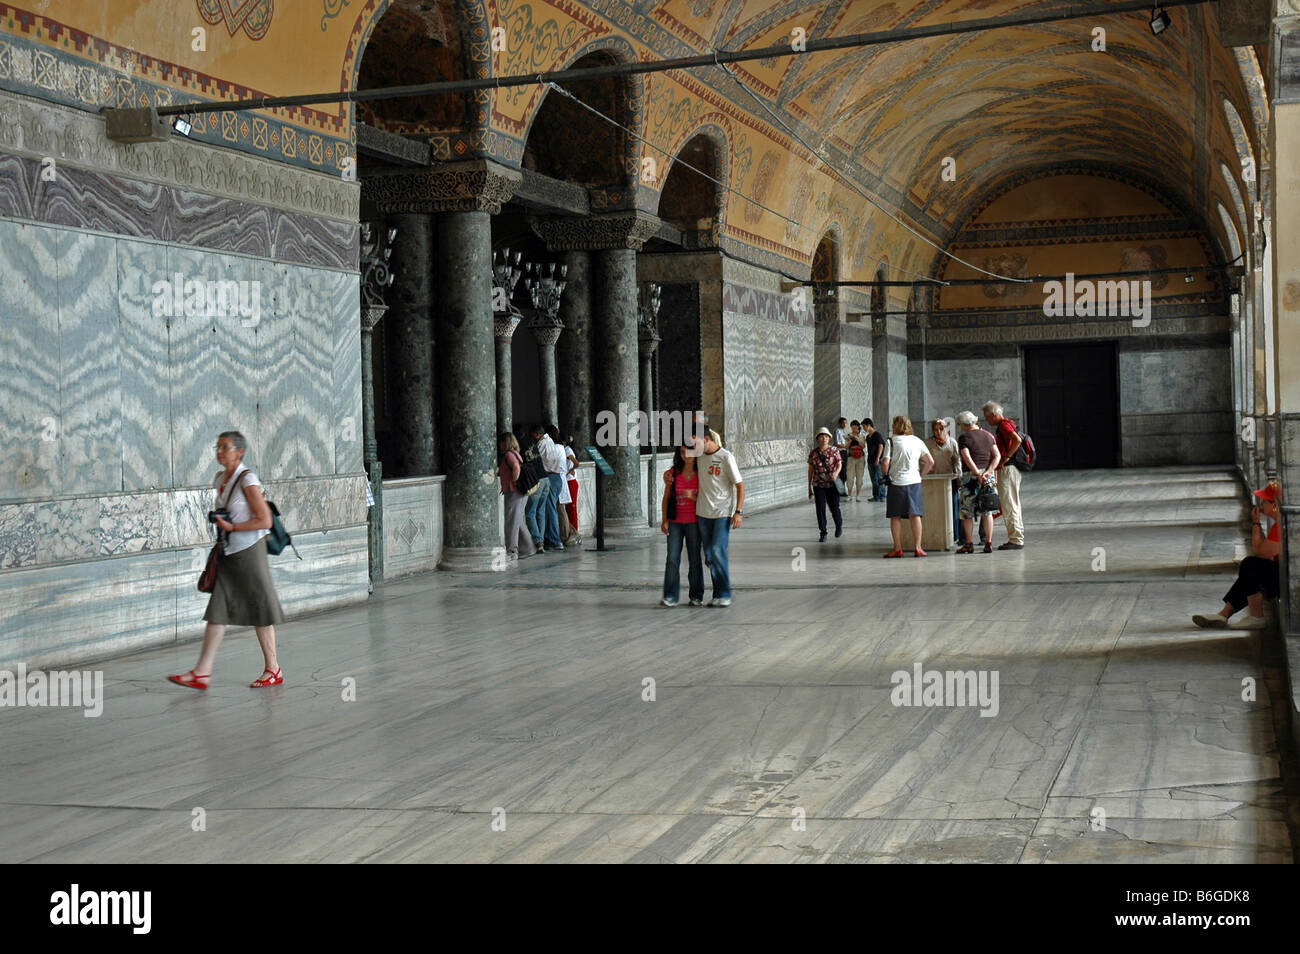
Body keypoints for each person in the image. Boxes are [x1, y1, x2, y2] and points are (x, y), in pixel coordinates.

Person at [169, 431, 285, 690]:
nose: (220, 451)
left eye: (225, 447)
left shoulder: (248, 479)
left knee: (259, 608)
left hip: (249, 552)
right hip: (229, 553)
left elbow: (264, 520)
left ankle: (273, 668)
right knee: (218, 610)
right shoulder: (221, 478)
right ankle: (202, 672)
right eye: (217, 446)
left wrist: (232, 528)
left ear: (240, 451)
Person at [1193, 483, 1282, 630]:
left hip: (1289, 579)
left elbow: (1260, 552)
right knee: (1251, 572)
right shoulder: (1279, 524)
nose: (1261, 505)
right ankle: (1223, 615)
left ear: (1275, 506)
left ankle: (1256, 617)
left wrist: (1256, 523)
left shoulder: (1280, 526)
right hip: (1287, 575)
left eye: (1264, 501)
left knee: (1250, 565)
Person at [694, 427, 744, 607]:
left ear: (706, 439)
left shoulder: (725, 457)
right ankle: (718, 593)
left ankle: (724, 593)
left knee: (717, 550)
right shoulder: (698, 457)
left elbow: (739, 485)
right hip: (702, 513)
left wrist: (738, 511)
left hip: (722, 513)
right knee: (709, 556)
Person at [881, 415, 934, 557]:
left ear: (895, 426)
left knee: (895, 516)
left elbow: (885, 463)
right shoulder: (917, 441)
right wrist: (920, 475)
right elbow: (930, 462)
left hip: (896, 483)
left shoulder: (891, 441)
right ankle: (918, 547)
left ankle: (898, 548)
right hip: (914, 482)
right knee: (915, 515)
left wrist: (885, 474)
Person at [660, 438, 705, 607]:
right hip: (675, 522)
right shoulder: (673, 473)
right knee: (672, 558)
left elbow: (707, 497)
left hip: (694, 522)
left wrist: (691, 495)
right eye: (682, 452)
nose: (686, 455)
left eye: (690, 452)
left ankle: (696, 595)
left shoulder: (701, 473)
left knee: (694, 559)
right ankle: (670, 595)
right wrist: (664, 520)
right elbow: (666, 497)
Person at [954, 411, 1000, 554]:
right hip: (988, 477)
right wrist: (988, 471)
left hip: (971, 477)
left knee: (967, 512)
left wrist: (977, 473)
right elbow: (997, 455)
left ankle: (969, 544)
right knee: (988, 511)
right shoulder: (988, 435)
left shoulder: (964, 437)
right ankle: (988, 543)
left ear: (963, 424)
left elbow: (966, 458)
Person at [983, 401, 1025, 550]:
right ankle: (1016, 537)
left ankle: (1016, 539)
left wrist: (1006, 457)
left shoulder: (1004, 425)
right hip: (1012, 469)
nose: (987, 421)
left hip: (1008, 469)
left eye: (987, 417)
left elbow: (1017, 440)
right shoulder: (1009, 422)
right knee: (1013, 503)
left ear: (993, 415)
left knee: (1009, 504)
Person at [925, 417, 963, 545]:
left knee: (953, 510)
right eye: (936, 429)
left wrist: (959, 477)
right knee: (935, 510)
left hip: (950, 481)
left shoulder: (952, 443)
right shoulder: (928, 443)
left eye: (941, 429)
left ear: (946, 429)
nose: (938, 432)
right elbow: (922, 460)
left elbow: (957, 461)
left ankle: (954, 536)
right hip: (933, 480)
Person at [498, 432, 531, 560]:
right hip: (519, 491)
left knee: (511, 521)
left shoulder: (508, 454)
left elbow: (516, 467)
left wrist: (513, 482)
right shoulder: (516, 453)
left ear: (505, 442)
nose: (500, 445)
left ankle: (512, 550)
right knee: (519, 521)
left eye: (501, 442)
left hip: (515, 492)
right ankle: (528, 548)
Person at [808, 427, 844, 542]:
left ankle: (838, 525)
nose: (824, 439)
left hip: (832, 484)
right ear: (818, 439)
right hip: (818, 484)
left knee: (834, 507)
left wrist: (835, 473)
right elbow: (811, 469)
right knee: (820, 509)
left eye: (826, 437)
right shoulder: (814, 453)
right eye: (821, 437)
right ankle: (823, 532)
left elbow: (839, 464)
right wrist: (809, 486)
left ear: (829, 438)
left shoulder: (834, 450)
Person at [845, 420, 869, 501]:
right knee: (849, 476)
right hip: (851, 458)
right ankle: (849, 495)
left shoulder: (862, 436)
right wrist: (850, 440)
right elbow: (846, 447)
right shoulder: (849, 435)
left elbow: (863, 446)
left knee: (859, 477)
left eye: (855, 427)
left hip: (860, 458)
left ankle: (858, 495)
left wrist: (858, 439)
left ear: (858, 427)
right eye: (852, 427)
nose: (854, 429)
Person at [562, 434, 580, 544]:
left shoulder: (568, 450)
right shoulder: (564, 450)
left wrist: (569, 470)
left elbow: (576, 463)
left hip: (571, 481)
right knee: (568, 508)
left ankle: (575, 533)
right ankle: (571, 532)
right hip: (567, 481)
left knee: (572, 508)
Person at [864, 418, 887, 501]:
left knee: (880, 478)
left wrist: (877, 458)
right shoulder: (867, 437)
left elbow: (881, 446)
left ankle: (883, 496)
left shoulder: (877, 435)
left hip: (877, 460)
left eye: (864, 426)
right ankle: (876, 496)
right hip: (870, 460)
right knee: (874, 479)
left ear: (869, 425)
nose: (864, 428)